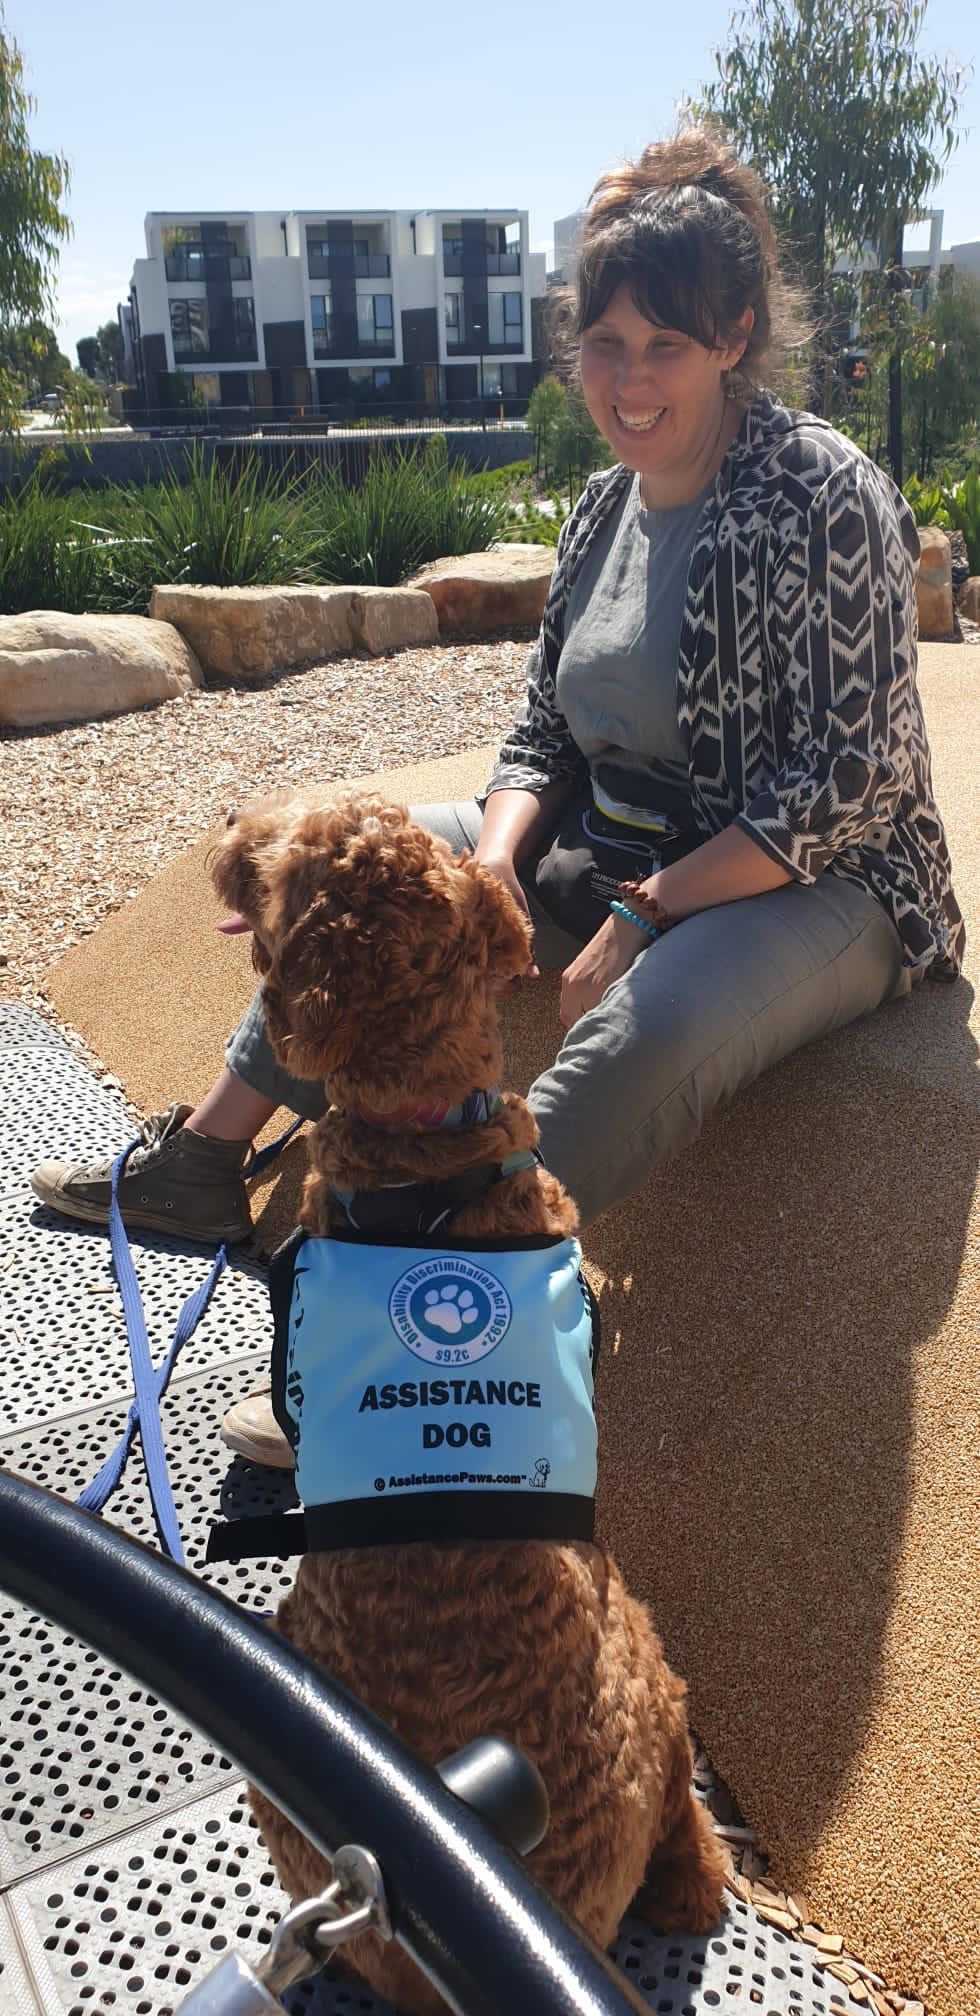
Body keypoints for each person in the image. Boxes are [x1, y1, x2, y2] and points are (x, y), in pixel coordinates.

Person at [33, 128, 963, 1469]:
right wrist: (499, 866)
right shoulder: (599, 513)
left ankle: (427, 1338)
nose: (630, 380)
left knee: (645, 1029)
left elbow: (854, 778)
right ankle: (207, 1160)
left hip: (818, 879)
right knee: (376, 874)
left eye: (667, 346)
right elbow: (541, 732)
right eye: (605, 343)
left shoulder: (824, 494)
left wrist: (645, 914)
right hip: (613, 840)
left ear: (736, 335)